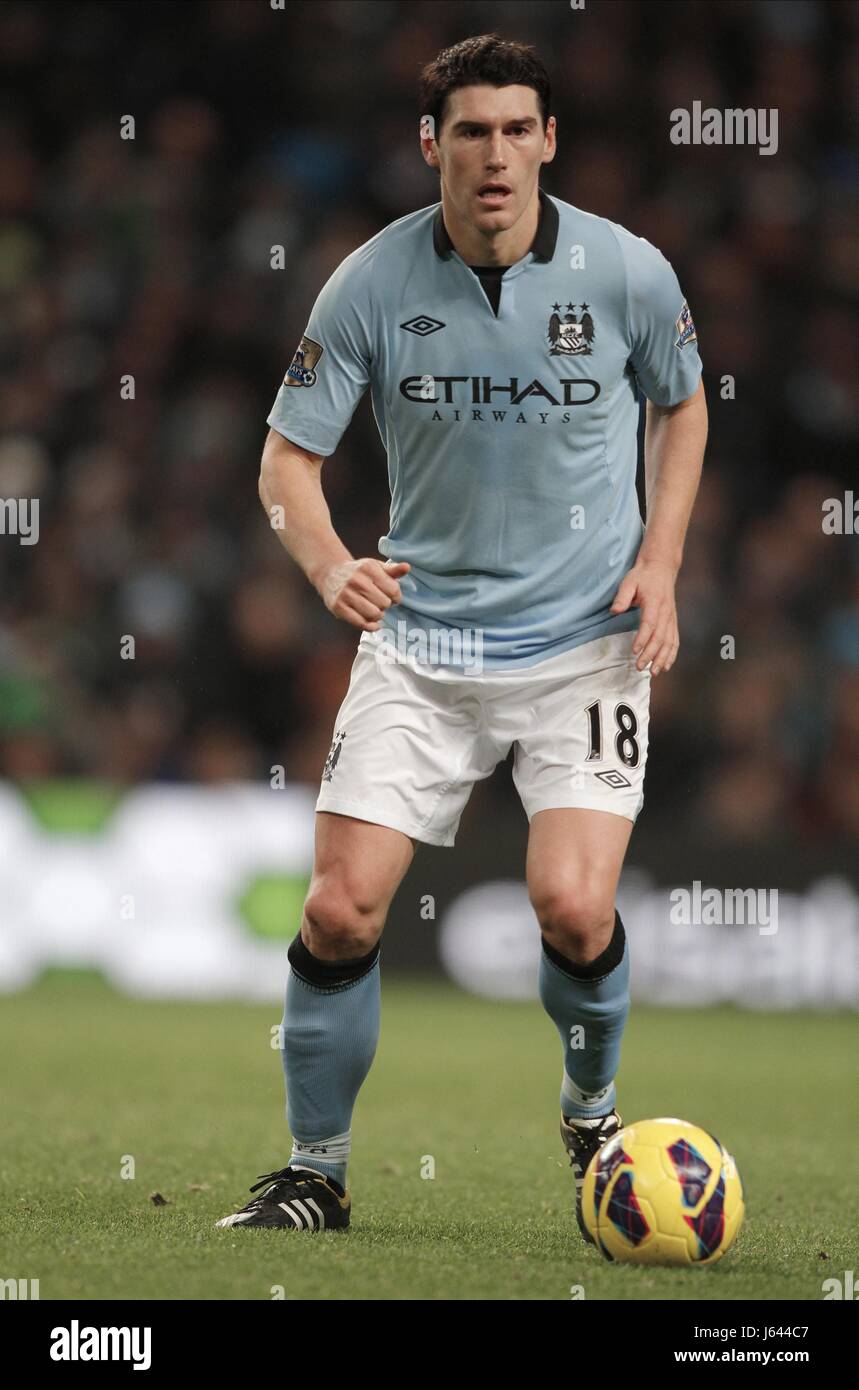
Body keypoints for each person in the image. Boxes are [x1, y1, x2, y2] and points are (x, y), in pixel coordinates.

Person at [216, 33, 707, 1237]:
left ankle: (590, 1114)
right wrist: (329, 562)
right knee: (338, 910)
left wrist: (662, 561)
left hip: (585, 641)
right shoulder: (371, 284)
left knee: (572, 908)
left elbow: (683, 404)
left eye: (516, 129)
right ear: (432, 146)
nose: (495, 156)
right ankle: (313, 1174)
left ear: (549, 140)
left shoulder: (627, 272)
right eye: (470, 132)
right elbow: (285, 458)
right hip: (424, 648)